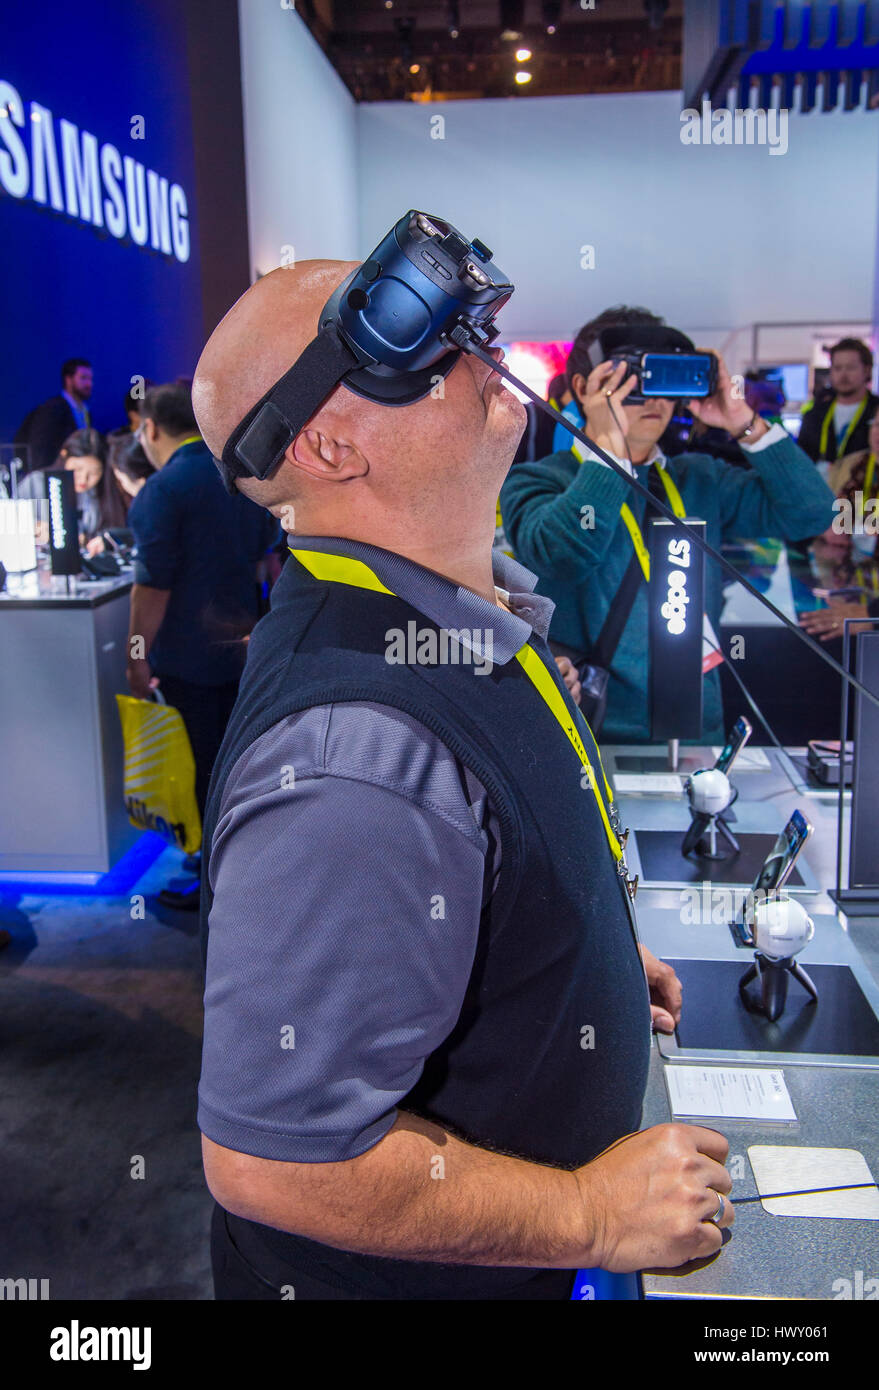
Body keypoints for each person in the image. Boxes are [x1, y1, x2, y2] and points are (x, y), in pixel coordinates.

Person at [190, 260, 732, 1304]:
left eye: (469, 318)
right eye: (408, 334)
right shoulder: (357, 746)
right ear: (329, 444)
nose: (483, 346)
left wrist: (580, 952)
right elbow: (277, 1158)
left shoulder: (453, 616)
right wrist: (590, 1214)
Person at [500, 306, 837, 744]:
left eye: (662, 376)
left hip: (695, 726)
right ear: (584, 388)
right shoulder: (538, 479)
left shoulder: (700, 479)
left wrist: (741, 419)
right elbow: (563, 555)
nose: (653, 396)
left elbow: (811, 514)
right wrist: (609, 454)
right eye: (631, 378)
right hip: (592, 732)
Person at [125, 382, 280, 908]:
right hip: (241, 651)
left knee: (198, 769)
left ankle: (211, 884)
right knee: (234, 764)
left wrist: (135, 657)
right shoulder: (238, 477)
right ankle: (233, 872)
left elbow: (152, 586)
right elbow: (268, 560)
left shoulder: (163, 490)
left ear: (150, 428)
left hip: (187, 657)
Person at [17, 428, 127, 541]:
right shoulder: (37, 483)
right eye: (77, 469)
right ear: (64, 455)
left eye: (94, 472)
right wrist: (33, 528)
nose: (84, 479)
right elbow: (10, 524)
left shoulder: (101, 490)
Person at [798, 338, 879, 473]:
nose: (843, 374)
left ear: (866, 370)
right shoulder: (815, 414)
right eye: (837, 368)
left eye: (851, 367)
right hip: (820, 489)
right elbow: (801, 459)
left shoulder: (875, 411)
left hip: (864, 489)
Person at [15, 359, 93, 475]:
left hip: (77, 476)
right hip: (56, 479)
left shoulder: (84, 411)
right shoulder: (53, 409)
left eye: (90, 379)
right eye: (83, 378)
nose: (89, 384)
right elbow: (40, 451)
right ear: (68, 380)